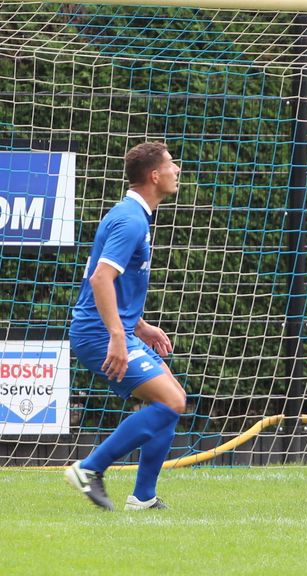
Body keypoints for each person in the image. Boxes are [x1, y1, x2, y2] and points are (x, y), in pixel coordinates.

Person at [65, 142, 186, 511]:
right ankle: (89, 468)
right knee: (171, 401)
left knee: (170, 397)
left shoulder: (133, 215)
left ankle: (144, 497)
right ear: (154, 176)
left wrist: (140, 325)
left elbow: (108, 283)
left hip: (110, 328)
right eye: (170, 165)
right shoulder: (131, 220)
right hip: (98, 334)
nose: (176, 170)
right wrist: (119, 335)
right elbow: (100, 279)